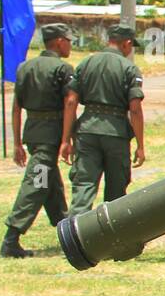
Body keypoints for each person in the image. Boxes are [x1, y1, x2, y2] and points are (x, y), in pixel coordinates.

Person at [1, 24, 75, 258]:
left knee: (51, 184)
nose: (70, 45)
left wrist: (16, 143)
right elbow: (69, 104)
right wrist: (66, 140)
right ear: (59, 42)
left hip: (33, 135)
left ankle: (68, 231)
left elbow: (15, 108)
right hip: (49, 139)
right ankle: (11, 238)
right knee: (37, 183)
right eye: (69, 40)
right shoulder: (63, 68)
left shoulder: (25, 67)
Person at [60, 23, 146, 214]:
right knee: (116, 190)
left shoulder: (86, 63)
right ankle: (112, 238)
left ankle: (76, 238)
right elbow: (135, 109)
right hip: (116, 133)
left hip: (87, 130)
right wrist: (140, 145)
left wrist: (66, 139)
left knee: (83, 187)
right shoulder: (129, 68)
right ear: (127, 43)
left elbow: (71, 101)